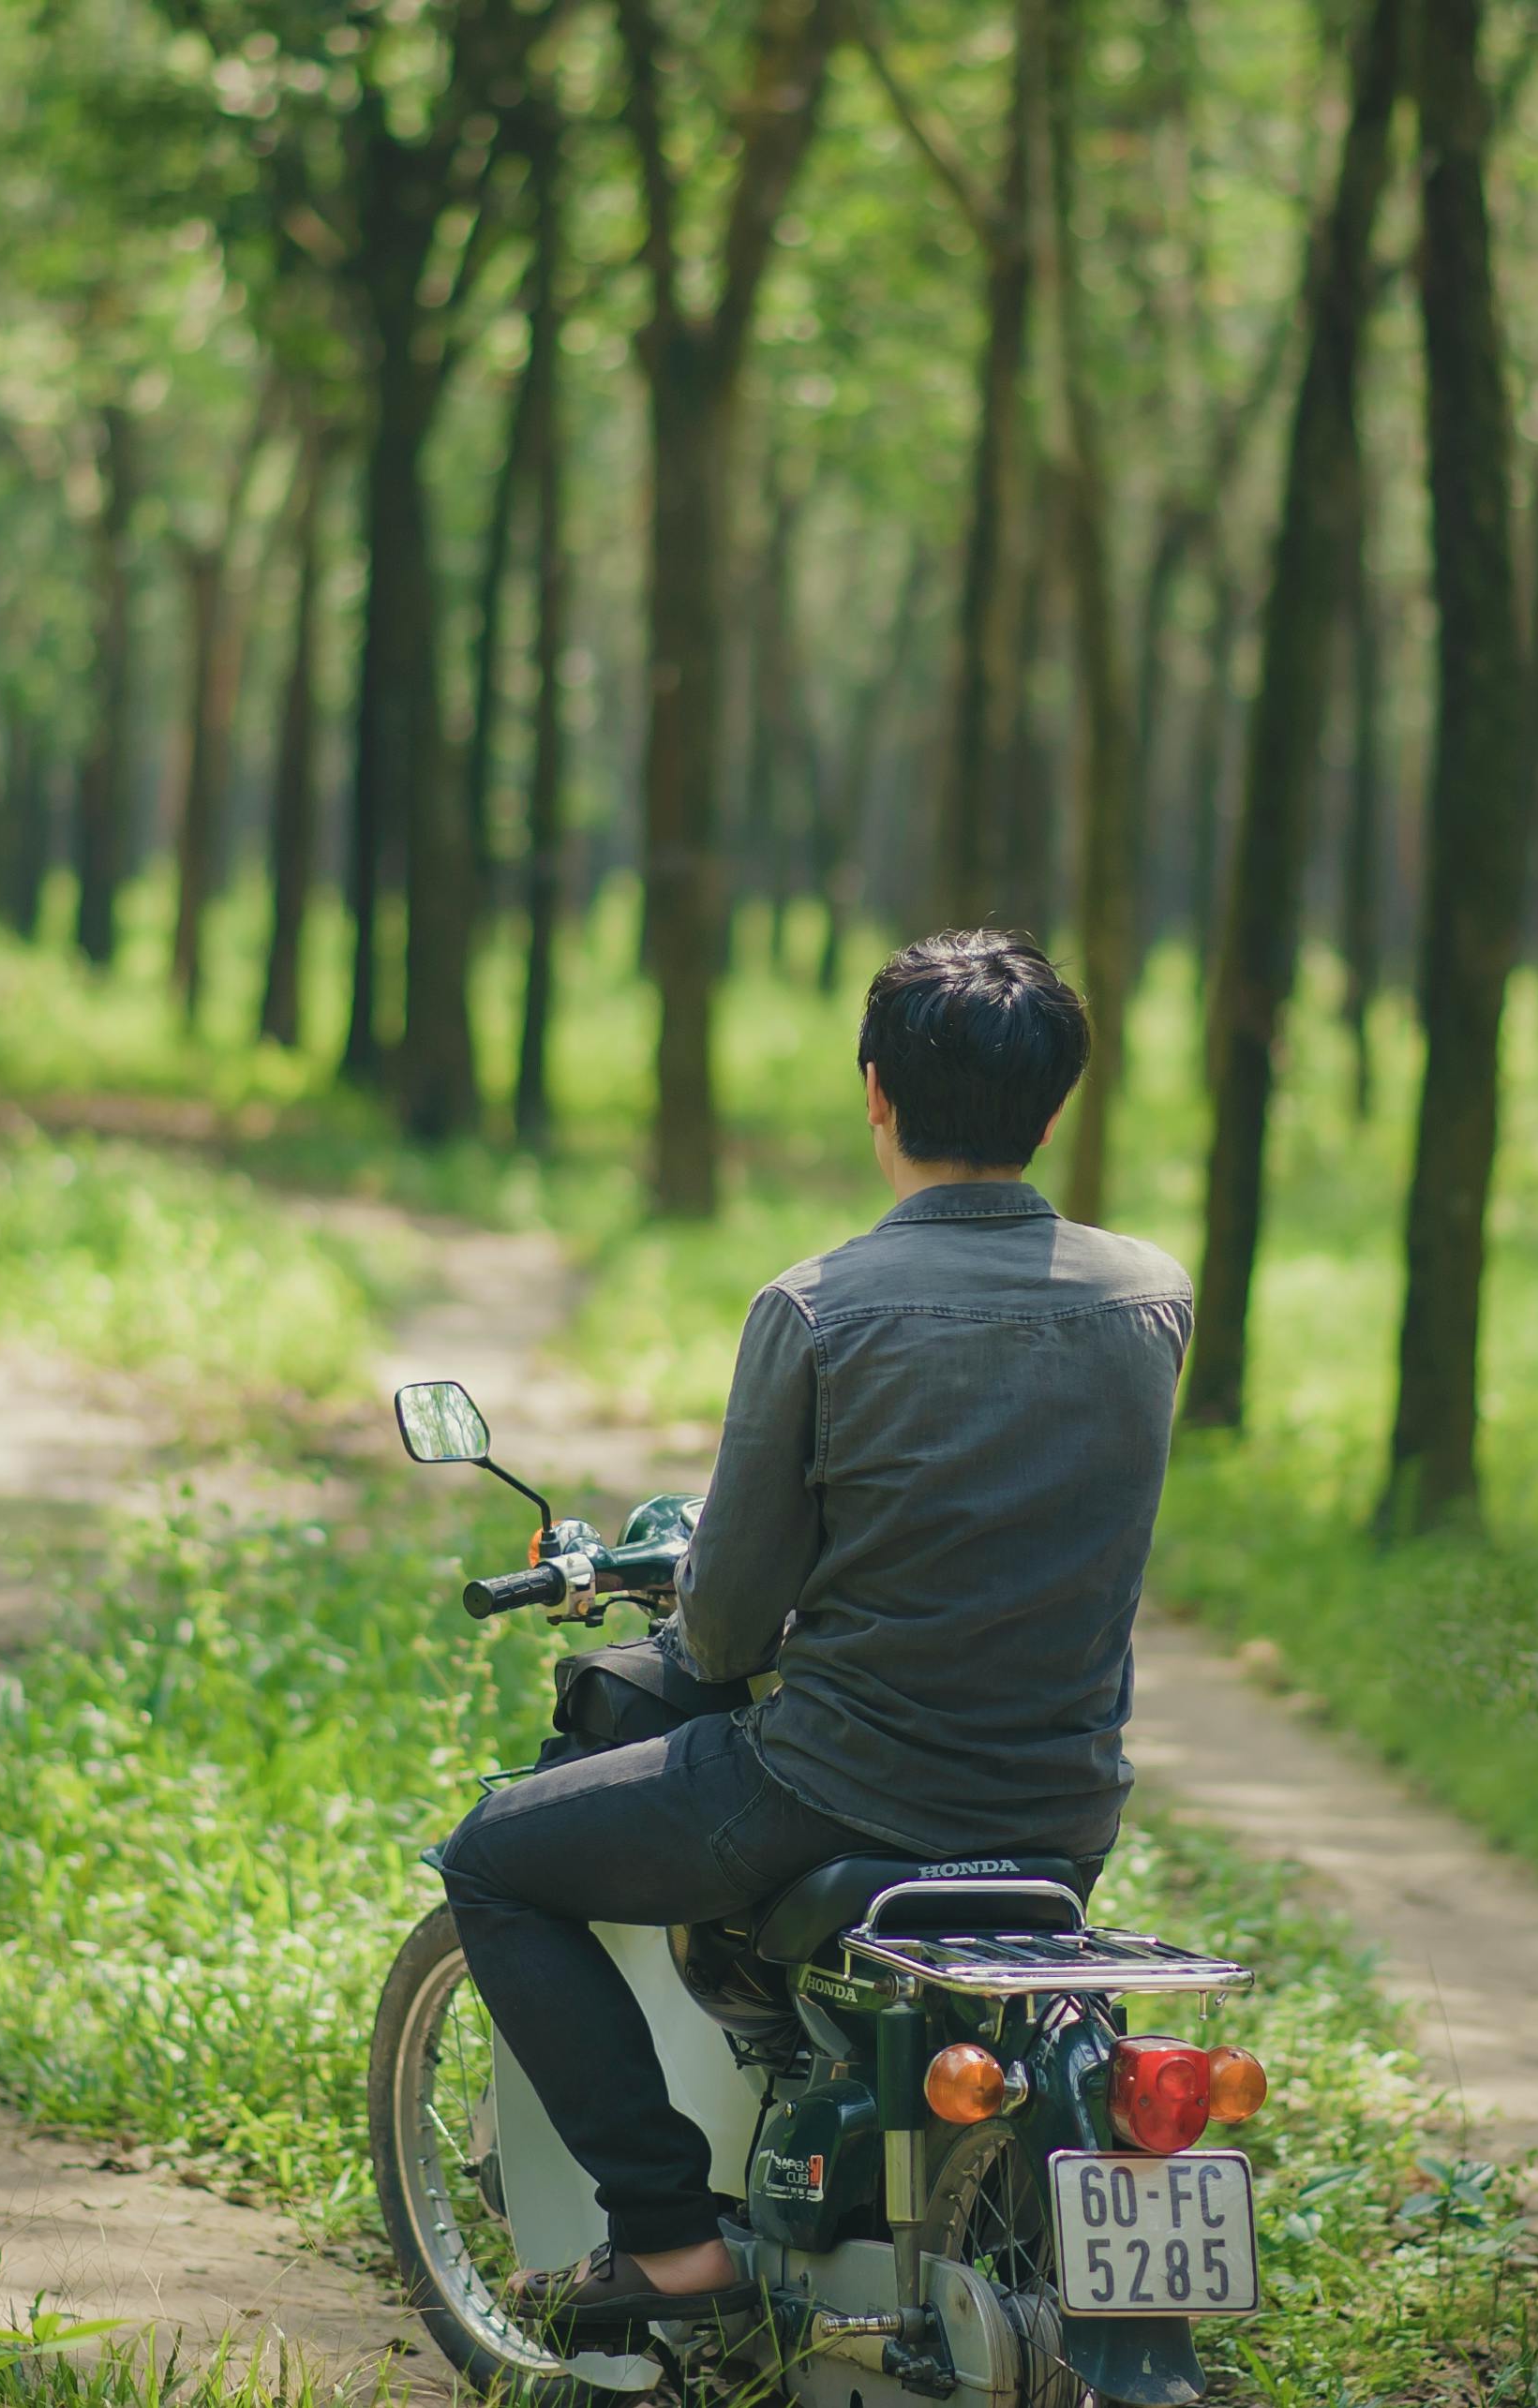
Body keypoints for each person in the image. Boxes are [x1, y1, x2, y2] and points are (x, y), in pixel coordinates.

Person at [433, 929, 1195, 2334]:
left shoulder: (818, 1307)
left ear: (875, 1092)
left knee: (493, 1858)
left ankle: (668, 2246)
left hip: (836, 1789)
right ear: (1055, 1103)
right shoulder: (1152, 1295)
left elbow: (721, 1637)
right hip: (1062, 1806)